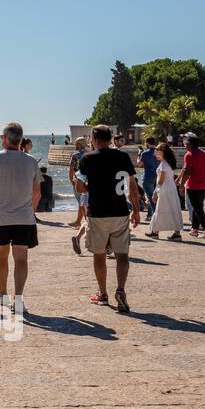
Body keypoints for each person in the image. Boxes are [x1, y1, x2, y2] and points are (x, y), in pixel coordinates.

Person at [75, 124, 140, 312]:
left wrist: (92, 188)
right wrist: (136, 211)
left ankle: (103, 293)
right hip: (120, 211)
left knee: (99, 254)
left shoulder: (87, 158)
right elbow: (133, 187)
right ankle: (120, 289)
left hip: (97, 213)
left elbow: (79, 187)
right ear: (111, 139)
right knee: (122, 255)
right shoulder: (123, 157)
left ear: (94, 139)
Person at [0, 122, 42, 312]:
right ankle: (19, 299)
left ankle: (3, 293)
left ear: (4, 139)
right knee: (21, 259)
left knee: (1, 257)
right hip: (24, 218)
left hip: (0, 218)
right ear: (20, 140)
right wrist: (29, 210)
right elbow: (37, 192)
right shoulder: (31, 161)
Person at [177, 134, 205, 237]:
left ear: (189, 144)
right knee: (197, 206)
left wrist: (181, 185)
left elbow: (187, 171)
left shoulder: (189, 154)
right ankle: (194, 229)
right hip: (204, 184)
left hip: (193, 185)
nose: (184, 145)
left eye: (185, 144)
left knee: (197, 208)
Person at [146, 142, 183, 239]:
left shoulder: (163, 164)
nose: (155, 151)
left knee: (160, 210)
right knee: (172, 209)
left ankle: (155, 232)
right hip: (171, 189)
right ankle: (176, 233)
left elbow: (160, 181)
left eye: (157, 149)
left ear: (162, 152)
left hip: (164, 189)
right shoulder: (167, 163)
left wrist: (155, 192)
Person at [137, 137, 159, 220]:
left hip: (148, 176)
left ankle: (156, 215)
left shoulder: (145, 153)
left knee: (150, 197)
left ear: (147, 143)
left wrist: (139, 154)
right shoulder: (158, 152)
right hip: (157, 176)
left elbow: (139, 164)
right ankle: (150, 215)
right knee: (154, 196)